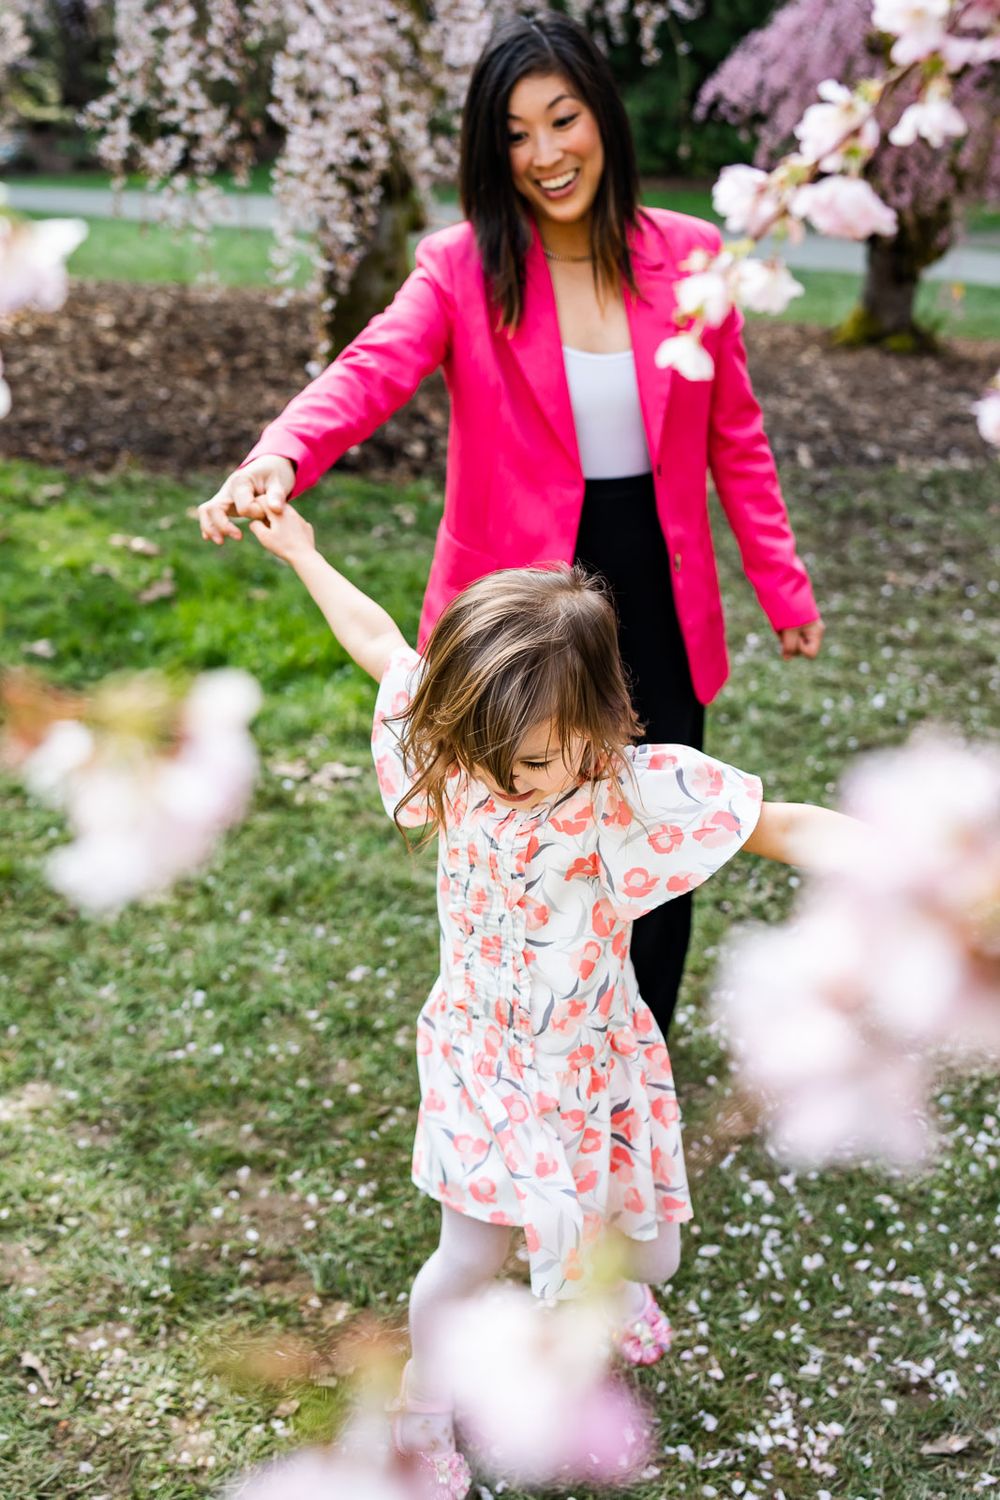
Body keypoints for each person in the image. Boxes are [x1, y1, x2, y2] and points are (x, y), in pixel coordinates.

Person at [197, 11, 823, 1039]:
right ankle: (529, 1039)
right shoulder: (460, 266)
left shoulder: (696, 257)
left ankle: (639, 1043)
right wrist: (282, 453)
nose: (543, 154)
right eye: (515, 135)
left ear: (601, 118)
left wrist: (782, 588)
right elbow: (368, 371)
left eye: (561, 119)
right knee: (519, 828)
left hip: (654, 583)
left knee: (657, 818)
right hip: (520, 605)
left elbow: (735, 439)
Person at [246, 497, 850, 1499]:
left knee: (651, 1254)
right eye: (485, 754)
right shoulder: (459, 754)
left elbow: (779, 825)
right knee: (465, 1259)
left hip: (595, 1062)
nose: (503, 780)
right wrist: (305, 549)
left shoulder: (628, 795)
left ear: (599, 729)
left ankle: (604, 1289)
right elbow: (379, 643)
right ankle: (419, 1414)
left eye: (529, 760)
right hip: (485, 1064)